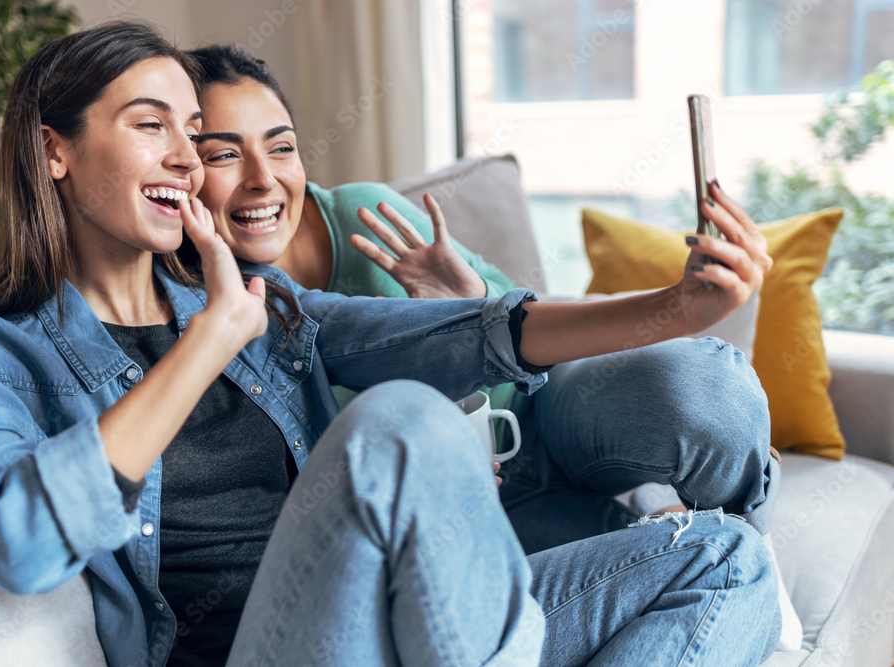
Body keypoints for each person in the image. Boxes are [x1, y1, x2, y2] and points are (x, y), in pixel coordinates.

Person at [0, 21, 780, 667]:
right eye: (154, 126)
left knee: (728, 558)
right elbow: (15, 539)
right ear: (52, 150)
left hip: (407, 629)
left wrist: (677, 308)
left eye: (190, 132)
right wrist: (208, 340)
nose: (185, 156)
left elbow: (470, 334)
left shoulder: (267, 302)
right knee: (402, 424)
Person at [186, 44, 778, 553]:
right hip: (472, 508)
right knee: (669, 562)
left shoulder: (365, 215)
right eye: (223, 154)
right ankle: (685, 528)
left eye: (281, 146)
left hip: (544, 410)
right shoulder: (211, 317)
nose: (263, 178)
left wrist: (472, 296)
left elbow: (529, 317)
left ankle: (748, 531)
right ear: (182, 170)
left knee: (708, 390)